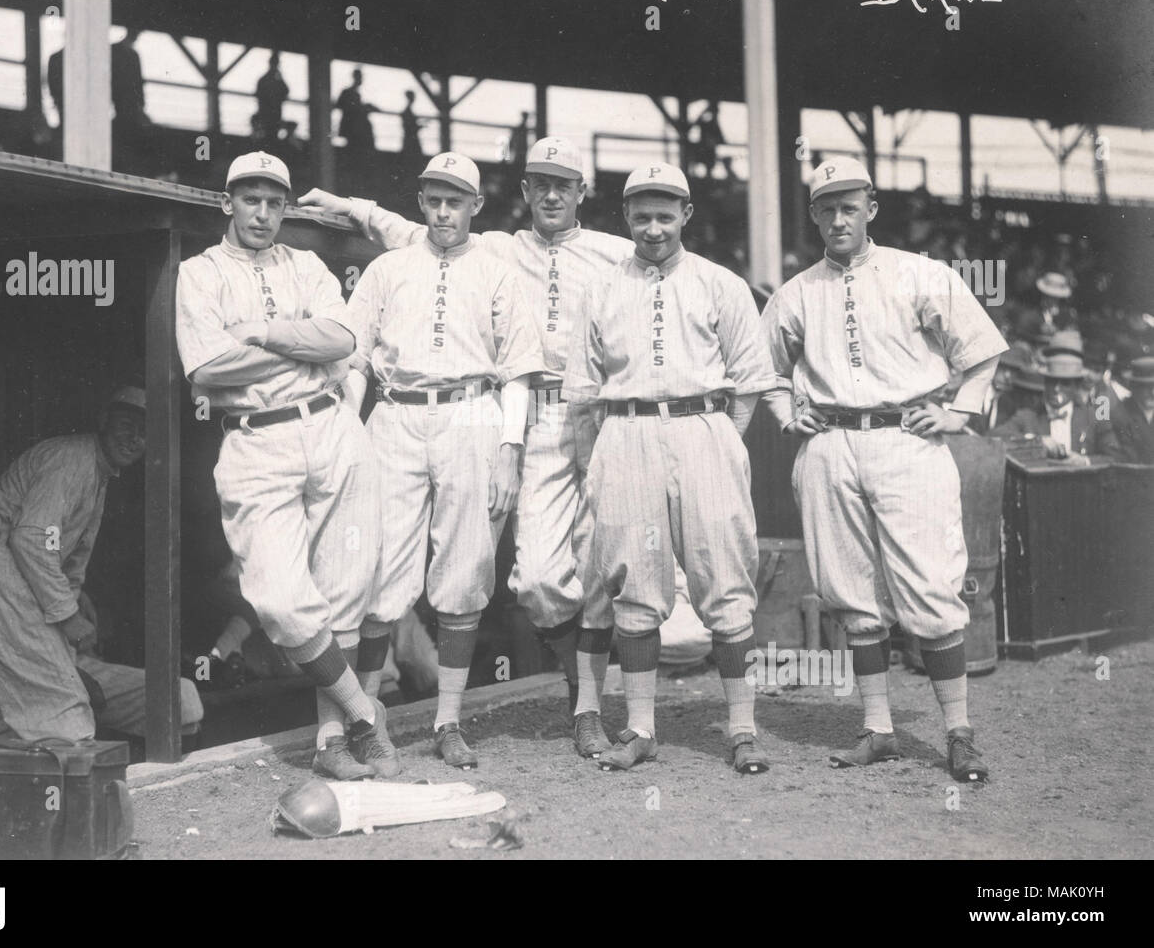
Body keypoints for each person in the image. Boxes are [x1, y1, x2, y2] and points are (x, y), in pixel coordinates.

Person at [298, 137, 634, 759]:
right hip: (456, 411)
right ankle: (372, 721)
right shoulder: (482, 251)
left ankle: (577, 703)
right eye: (540, 183)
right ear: (524, 191)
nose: (552, 195)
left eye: (564, 184)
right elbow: (399, 246)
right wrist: (348, 204)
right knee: (436, 577)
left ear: (583, 191)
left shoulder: (611, 254)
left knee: (565, 565)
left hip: (571, 409)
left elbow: (673, 279)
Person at [762, 156, 1008, 783]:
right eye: (826, 207)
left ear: (871, 208)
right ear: (813, 214)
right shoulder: (795, 292)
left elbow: (981, 353)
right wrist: (789, 412)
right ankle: (879, 729)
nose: (838, 218)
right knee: (852, 594)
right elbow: (759, 370)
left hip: (906, 439)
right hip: (831, 443)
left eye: (849, 206)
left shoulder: (918, 274)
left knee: (930, 586)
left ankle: (959, 733)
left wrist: (957, 412)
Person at [174, 151, 397, 781]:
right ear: (228, 203)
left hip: (330, 424)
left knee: (345, 592)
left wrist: (263, 335)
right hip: (255, 439)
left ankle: (331, 741)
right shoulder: (200, 272)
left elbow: (346, 341)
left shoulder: (308, 263)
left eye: (275, 201)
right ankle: (361, 715)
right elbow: (207, 370)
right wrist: (305, 343)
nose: (263, 213)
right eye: (251, 198)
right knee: (277, 597)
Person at [564, 162, 778, 773]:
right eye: (641, 215)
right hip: (625, 430)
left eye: (664, 215)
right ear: (625, 217)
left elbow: (748, 383)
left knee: (724, 578)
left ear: (686, 214)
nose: (652, 228)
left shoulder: (721, 283)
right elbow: (582, 392)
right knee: (634, 586)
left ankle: (741, 728)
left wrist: (715, 441)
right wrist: (597, 463)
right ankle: (640, 728)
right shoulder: (601, 288)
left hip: (701, 425)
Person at [342, 152, 545, 769]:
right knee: (379, 573)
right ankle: (365, 719)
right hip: (396, 413)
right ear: (421, 201)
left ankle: (448, 721)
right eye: (433, 198)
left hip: (471, 413)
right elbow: (353, 356)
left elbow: (518, 371)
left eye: (455, 200)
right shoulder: (387, 267)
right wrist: (349, 430)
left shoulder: (499, 272)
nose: (442, 211)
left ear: (475, 207)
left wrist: (510, 450)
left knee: (464, 572)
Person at [0, 387, 204, 746]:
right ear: (104, 421)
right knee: (61, 714)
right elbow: (33, 539)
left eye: (145, 432)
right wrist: (68, 616)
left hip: (8, 576)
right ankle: (17, 789)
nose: (134, 439)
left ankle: (8, 781)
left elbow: (65, 561)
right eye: (126, 425)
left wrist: (70, 621)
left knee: (180, 704)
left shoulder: (96, 474)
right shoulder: (73, 458)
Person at [992, 353, 1114, 459]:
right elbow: (993, 436)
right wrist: (1036, 442)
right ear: (1045, 382)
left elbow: (1114, 456)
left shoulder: (1092, 417)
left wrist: (1085, 461)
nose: (1056, 389)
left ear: (1076, 386)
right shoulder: (1028, 415)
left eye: (1065, 384)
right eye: (1052, 381)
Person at [1103, 357, 1154, 463]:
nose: (1153, 393)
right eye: (1148, 387)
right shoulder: (1119, 415)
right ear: (1134, 387)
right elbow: (1128, 457)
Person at [336, 67, 375, 154]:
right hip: (353, 128)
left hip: (352, 128)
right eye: (360, 77)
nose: (361, 79)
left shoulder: (352, 93)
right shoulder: (348, 92)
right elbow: (342, 105)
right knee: (353, 149)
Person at [254, 51, 289, 138]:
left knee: (269, 133)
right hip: (272, 112)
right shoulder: (273, 80)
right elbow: (286, 91)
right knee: (271, 133)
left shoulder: (264, 79)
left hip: (267, 113)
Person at [400, 90, 423, 160]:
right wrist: (419, 126)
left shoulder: (407, 110)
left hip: (409, 137)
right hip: (411, 138)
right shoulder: (407, 110)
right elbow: (410, 127)